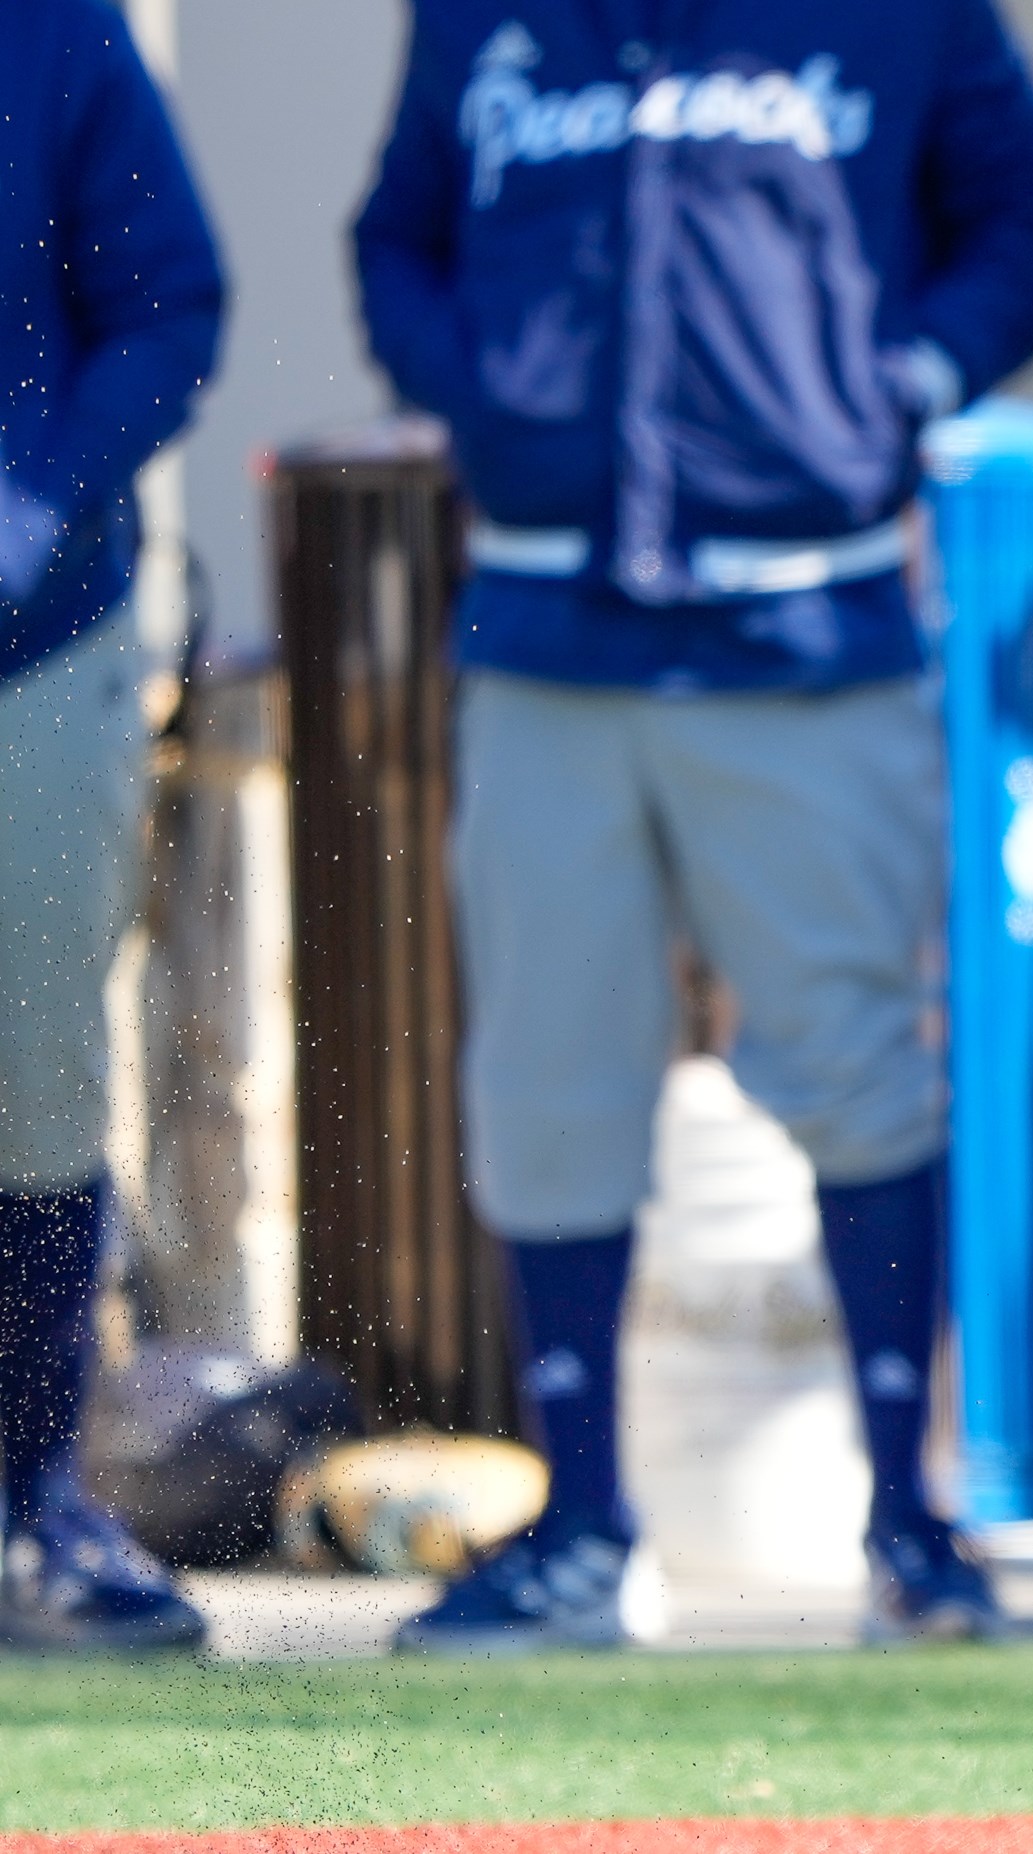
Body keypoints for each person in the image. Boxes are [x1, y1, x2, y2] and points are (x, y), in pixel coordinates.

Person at [352, 0, 1033, 1651]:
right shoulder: (483, 14)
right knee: (549, 1083)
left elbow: (1031, 226)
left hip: (808, 633)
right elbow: (397, 238)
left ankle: (909, 1524)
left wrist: (898, 385)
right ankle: (581, 1529)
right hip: (544, 635)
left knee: (856, 1067)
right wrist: (481, 395)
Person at [0, 0, 227, 1653]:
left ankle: (32, 1505)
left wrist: (33, 502)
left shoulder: (50, 29)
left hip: (31, 641)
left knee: (32, 1085)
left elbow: (168, 302)